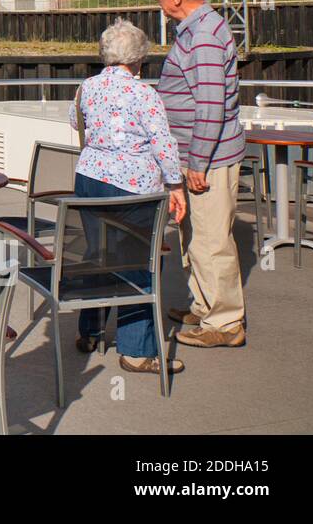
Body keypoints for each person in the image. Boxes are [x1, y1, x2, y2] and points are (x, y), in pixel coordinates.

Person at [70, 19, 188, 375]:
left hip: (90, 178)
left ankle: (90, 330)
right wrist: (175, 185)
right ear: (138, 58)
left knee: (98, 252)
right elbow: (163, 143)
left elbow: (76, 123)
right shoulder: (145, 94)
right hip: (133, 186)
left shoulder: (86, 87)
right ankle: (136, 349)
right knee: (139, 261)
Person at [155, 0, 247, 348]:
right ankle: (204, 304)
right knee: (193, 236)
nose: (157, 0)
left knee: (211, 240)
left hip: (206, 156)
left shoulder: (205, 37)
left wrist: (197, 162)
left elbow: (210, 106)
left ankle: (224, 324)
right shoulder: (196, 31)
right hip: (195, 154)